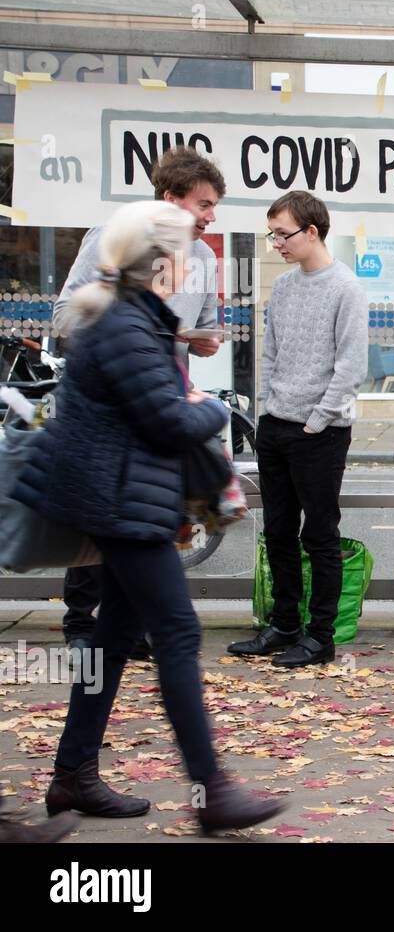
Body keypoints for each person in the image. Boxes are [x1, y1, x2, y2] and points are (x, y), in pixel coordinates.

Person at [11, 200, 285, 833]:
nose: (194, 258)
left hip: (126, 498)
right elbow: (165, 421)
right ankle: (211, 791)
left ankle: (72, 776)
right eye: (188, 246)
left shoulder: (132, 316)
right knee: (178, 635)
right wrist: (216, 409)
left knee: (111, 638)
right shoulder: (127, 325)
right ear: (164, 261)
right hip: (121, 506)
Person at [50, 145, 225, 652]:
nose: (212, 215)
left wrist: (199, 338)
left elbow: (206, 328)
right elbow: (66, 317)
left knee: (151, 523)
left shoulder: (206, 255)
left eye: (214, 205)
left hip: (162, 406)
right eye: (204, 203)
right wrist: (133, 334)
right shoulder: (110, 239)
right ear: (171, 198)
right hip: (110, 414)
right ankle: (82, 625)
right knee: (102, 520)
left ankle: (133, 627)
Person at [227, 191, 367, 668]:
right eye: (272, 235)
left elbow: (351, 367)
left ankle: (320, 635)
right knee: (278, 530)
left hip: (319, 433)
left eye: (282, 234)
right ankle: (284, 625)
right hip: (276, 424)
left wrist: (317, 420)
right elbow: (272, 352)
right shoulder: (284, 287)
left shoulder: (345, 288)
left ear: (312, 231)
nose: (276, 244)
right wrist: (270, 406)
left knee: (320, 535)